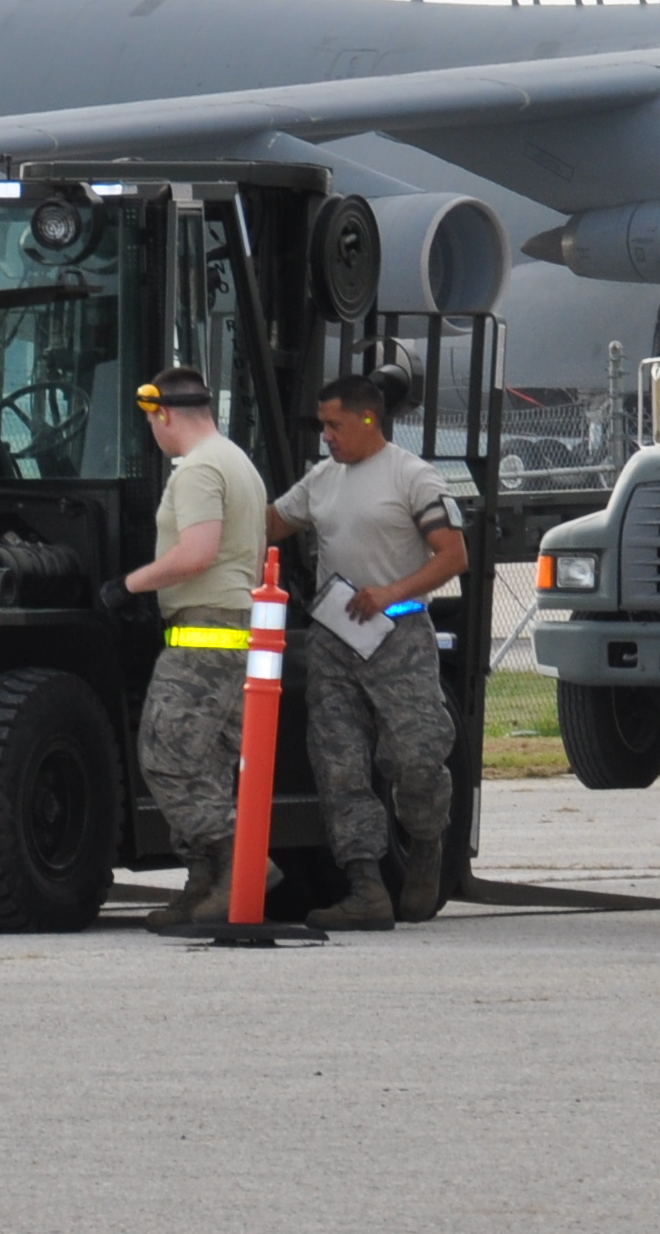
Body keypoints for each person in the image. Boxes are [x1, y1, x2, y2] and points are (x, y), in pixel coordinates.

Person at [266, 374, 465, 931]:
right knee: (338, 766)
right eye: (322, 425)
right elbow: (273, 523)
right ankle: (365, 887)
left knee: (415, 757)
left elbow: (452, 555)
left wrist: (390, 594)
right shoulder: (321, 481)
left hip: (398, 636)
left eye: (335, 424)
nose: (326, 435)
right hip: (335, 642)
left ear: (369, 420)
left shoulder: (411, 476)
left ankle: (426, 843)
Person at [106, 371, 268, 936]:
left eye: (151, 421)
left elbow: (196, 552)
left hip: (205, 631)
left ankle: (237, 862)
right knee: (210, 763)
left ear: (163, 415)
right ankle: (207, 883)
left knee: (166, 755)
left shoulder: (199, 469)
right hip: (236, 628)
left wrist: (129, 585)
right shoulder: (236, 460)